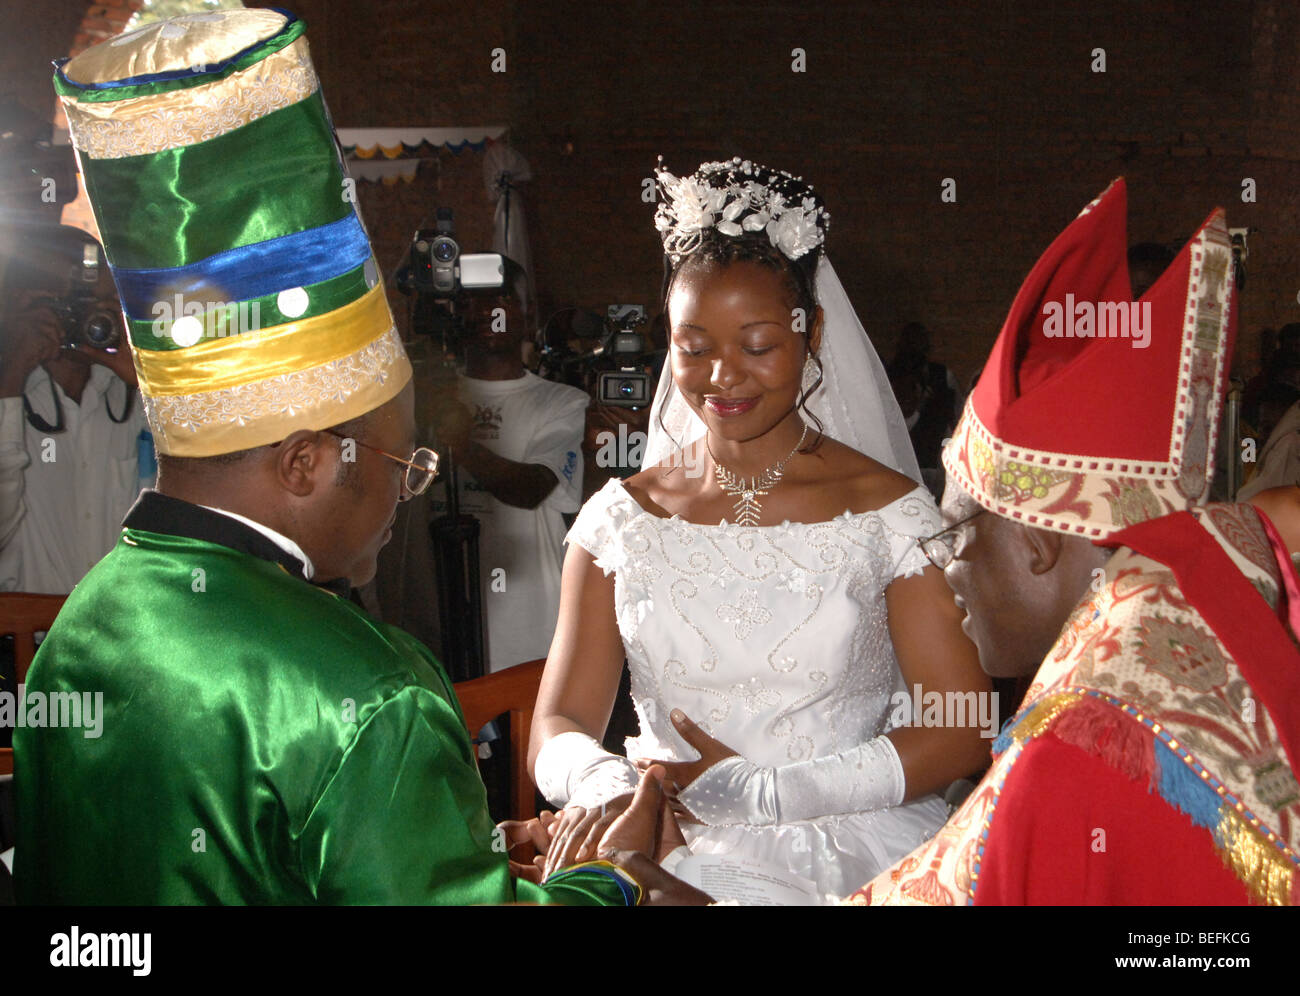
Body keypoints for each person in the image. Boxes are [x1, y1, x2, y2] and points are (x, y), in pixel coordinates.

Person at [14, 8, 669, 906]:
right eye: (406, 470)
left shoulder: (82, 626)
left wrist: (463, 844)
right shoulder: (369, 690)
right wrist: (617, 886)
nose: (407, 500)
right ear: (309, 464)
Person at [530, 158, 991, 899]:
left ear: (812, 338)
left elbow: (962, 725)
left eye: (757, 344)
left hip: (846, 839)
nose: (722, 377)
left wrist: (764, 794)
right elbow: (559, 716)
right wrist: (606, 785)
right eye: (695, 347)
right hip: (659, 833)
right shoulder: (621, 520)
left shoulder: (889, 515)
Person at [849, 179, 1300, 905]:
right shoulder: (1213, 592)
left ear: (1035, 541)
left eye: (959, 532)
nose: (948, 569)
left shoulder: (1076, 746)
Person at [429, 275, 588, 674]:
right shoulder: (422, 399)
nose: (488, 311)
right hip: (434, 627)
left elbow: (531, 488)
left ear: (525, 314)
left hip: (527, 629)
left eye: (500, 298)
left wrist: (462, 446)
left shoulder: (561, 401)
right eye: (472, 300)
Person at [0, 226, 148, 595]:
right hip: (22, 643)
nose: (87, 319)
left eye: (99, 304)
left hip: (120, 638)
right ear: (20, 305)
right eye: (68, 304)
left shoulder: (132, 398)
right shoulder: (8, 397)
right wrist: (11, 378)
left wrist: (151, 383)